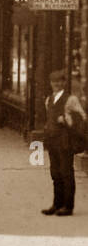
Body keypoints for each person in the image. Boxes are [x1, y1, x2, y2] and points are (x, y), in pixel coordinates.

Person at [43, 68, 81, 217]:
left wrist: (66, 120)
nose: (56, 84)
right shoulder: (49, 99)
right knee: (55, 173)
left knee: (66, 172)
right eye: (54, 81)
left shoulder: (71, 99)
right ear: (50, 83)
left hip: (65, 141)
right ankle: (56, 204)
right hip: (53, 141)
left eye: (59, 81)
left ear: (64, 82)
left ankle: (68, 206)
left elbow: (81, 118)